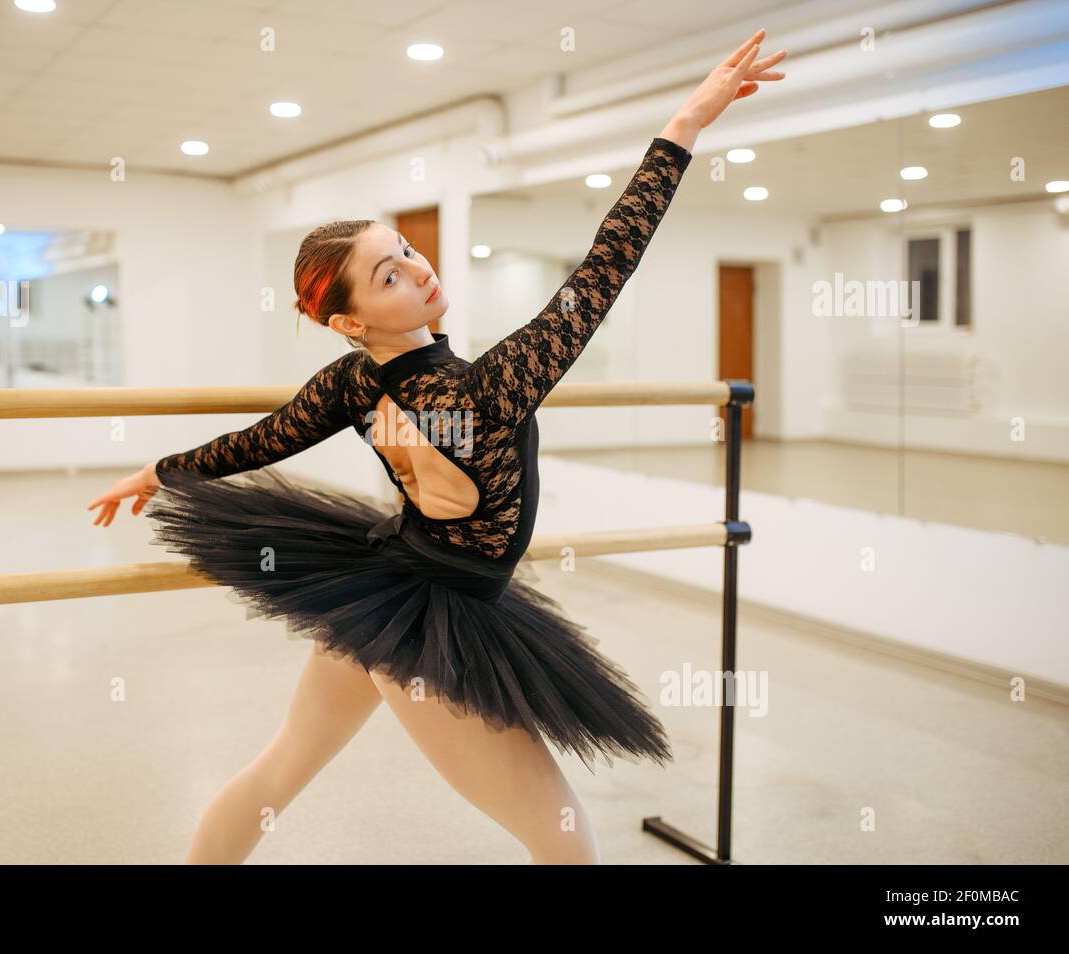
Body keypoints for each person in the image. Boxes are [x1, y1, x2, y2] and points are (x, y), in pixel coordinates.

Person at [88, 30, 786, 864]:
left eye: (407, 252)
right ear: (351, 322)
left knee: (283, 769)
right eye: (390, 274)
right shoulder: (487, 389)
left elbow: (257, 442)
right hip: (431, 615)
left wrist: (157, 471)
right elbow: (605, 266)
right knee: (565, 842)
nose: (418, 271)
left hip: (390, 587)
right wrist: (685, 124)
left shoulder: (355, 382)